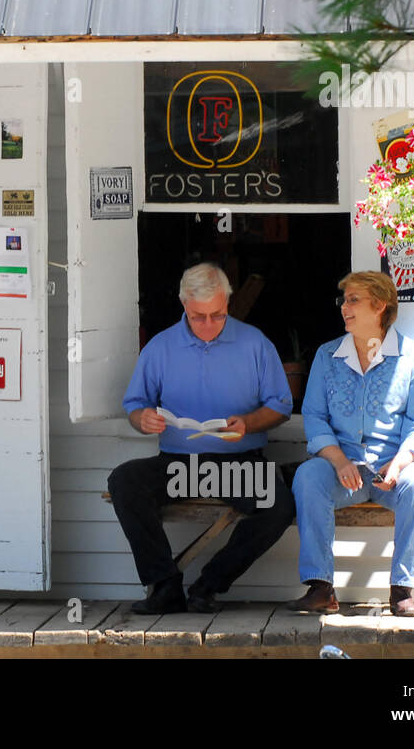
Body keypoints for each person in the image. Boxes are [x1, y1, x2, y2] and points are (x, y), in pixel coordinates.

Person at [109, 262, 296, 614]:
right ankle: (164, 586)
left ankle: (208, 585)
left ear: (227, 301)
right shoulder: (161, 347)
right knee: (125, 480)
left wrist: (249, 423)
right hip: (180, 464)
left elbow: (281, 406)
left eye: (218, 315)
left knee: (279, 505)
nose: (209, 324)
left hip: (237, 464)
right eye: (198, 317)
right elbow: (135, 404)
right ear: (183, 305)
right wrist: (142, 419)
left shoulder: (255, 343)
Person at [289, 271, 414, 617]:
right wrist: (338, 460)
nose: (345, 307)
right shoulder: (328, 357)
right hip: (343, 469)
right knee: (308, 477)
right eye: (344, 300)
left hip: (395, 469)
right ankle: (320, 588)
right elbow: (313, 416)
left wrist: (400, 463)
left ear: (380, 305)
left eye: (354, 299)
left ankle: (402, 589)